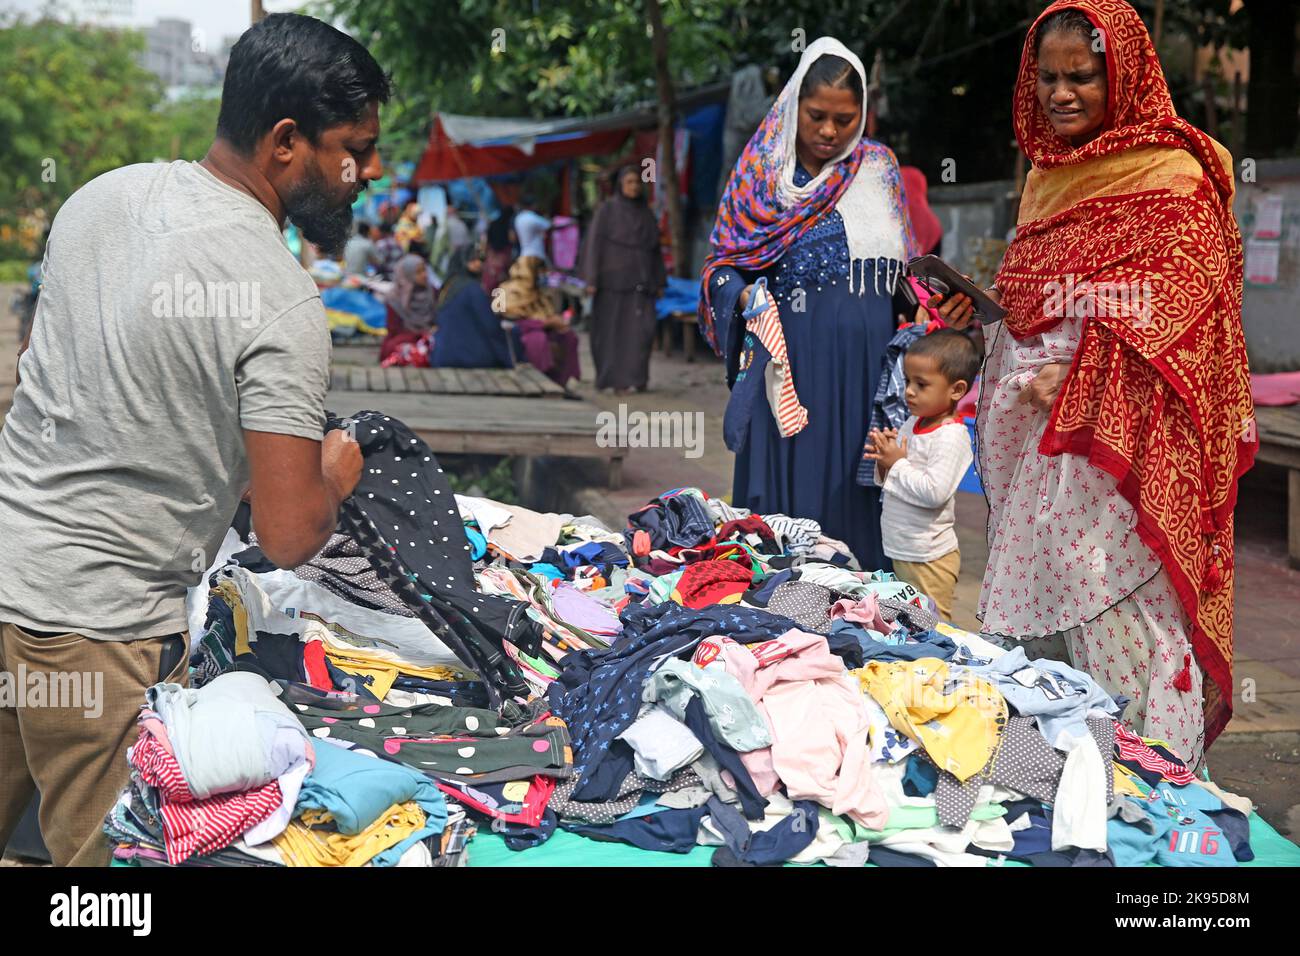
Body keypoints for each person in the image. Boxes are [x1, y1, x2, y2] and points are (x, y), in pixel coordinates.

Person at [0, 12, 383, 866]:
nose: (370, 172)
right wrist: (332, 473)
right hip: (96, 634)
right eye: (355, 149)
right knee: (111, 888)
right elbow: (286, 535)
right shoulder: (278, 297)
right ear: (287, 141)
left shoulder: (101, 196)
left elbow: (47, 375)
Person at [940, 1, 1253, 768]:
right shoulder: (1046, 179)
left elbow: (1188, 307)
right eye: (1046, 77)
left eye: (1081, 76)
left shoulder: (1177, 176)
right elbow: (1037, 302)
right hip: (1040, 448)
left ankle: (1159, 785)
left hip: (1128, 449)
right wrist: (981, 314)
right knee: (1045, 621)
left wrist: (1085, 370)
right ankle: (1061, 781)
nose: (1061, 92)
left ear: (1124, 76)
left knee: (1127, 620)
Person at [699, 38, 917, 571]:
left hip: (866, 368)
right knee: (789, 511)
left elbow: (906, 278)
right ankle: (783, 609)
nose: (828, 132)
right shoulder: (761, 175)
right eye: (816, 116)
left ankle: (858, 611)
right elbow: (721, 266)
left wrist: (940, 307)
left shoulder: (880, 169)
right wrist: (744, 294)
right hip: (788, 368)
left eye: (845, 119)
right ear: (794, 105)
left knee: (854, 483)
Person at [864, 329, 979, 621]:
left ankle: (945, 665)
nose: (909, 391)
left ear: (956, 390)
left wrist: (897, 463)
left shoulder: (950, 437)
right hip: (904, 548)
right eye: (908, 382)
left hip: (929, 557)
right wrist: (883, 461)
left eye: (921, 384)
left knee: (933, 623)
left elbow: (934, 492)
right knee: (910, 620)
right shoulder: (913, 422)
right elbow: (894, 481)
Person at [581, 165, 665, 393]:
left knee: (641, 333)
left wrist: (659, 281)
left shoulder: (646, 213)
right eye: (629, 182)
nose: (634, 187)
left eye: (637, 182)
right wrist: (591, 279)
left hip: (641, 283)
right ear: (620, 185)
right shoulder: (607, 211)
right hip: (611, 284)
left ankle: (636, 379)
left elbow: (654, 250)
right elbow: (594, 246)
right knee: (609, 333)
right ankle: (610, 378)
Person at [497, 254, 580, 387]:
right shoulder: (504, 290)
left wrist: (556, 323)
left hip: (542, 327)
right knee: (537, 339)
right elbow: (504, 317)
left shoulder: (540, 291)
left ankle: (566, 381)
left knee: (568, 336)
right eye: (540, 272)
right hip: (518, 331)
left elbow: (548, 312)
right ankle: (540, 381)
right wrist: (542, 323)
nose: (543, 275)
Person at [429, 244, 513, 369]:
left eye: (480, 259)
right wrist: (507, 361)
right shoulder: (472, 289)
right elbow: (491, 327)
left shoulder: (448, 286)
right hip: (470, 358)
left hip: (442, 356)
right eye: (472, 259)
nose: (478, 263)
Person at [379, 252, 437, 366]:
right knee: (393, 347)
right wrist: (419, 334)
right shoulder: (395, 298)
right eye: (419, 272)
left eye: (424, 270)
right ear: (407, 274)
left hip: (427, 337)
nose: (424, 275)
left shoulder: (432, 292)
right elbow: (394, 330)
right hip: (404, 337)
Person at [430, 202, 471, 275]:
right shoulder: (462, 225)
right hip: (461, 262)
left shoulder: (444, 226)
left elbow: (438, 247)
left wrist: (433, 263)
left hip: (447, 262)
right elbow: (468, 244)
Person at [482, 204, 516, 292]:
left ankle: (488, 296)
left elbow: (487, 240)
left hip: (492, 253)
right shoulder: (509, 226)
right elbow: (512, 239)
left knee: (490, 276)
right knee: (501, 277)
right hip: (503, 253)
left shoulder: (493, 223)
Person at [513, 191, 552, 262]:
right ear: (533, 205)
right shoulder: (533, 218)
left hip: (524, 253)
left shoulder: (518, 218)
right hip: (536, 253)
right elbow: (548, 225)